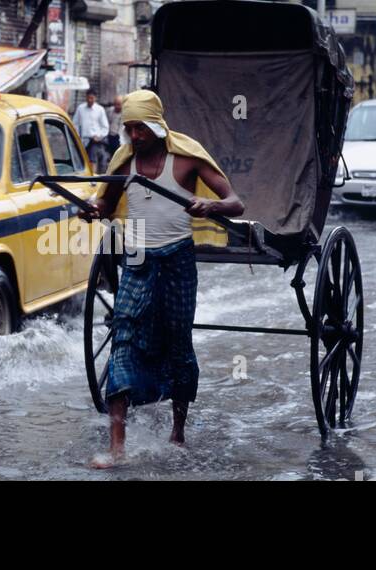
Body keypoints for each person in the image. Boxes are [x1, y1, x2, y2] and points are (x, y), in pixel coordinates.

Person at [77, 90, 244, 469]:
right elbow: (106, 204)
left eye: (140, 128)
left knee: (178, 340)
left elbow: (236, 202)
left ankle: (178, 433)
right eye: (128, 129)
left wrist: (211, 205)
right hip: (136, 259)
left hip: (177, 261)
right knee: (123, 335)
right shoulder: (124, 163)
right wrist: (92, 210)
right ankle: (117, 448)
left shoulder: (186, 159)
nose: (134, 136)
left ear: (156, 127)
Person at [72, 90, 109, 173]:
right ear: (86, 97)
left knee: (93, 160)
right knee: (82, 161)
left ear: (95, 98)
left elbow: (105, 127)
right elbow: (75, 123)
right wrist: (77, 135)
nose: (90, 100)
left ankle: (93, 179)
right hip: (83, 140)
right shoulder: (80, 108)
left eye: (92, 98)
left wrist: (99, 136)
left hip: (94, 140)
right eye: (88, 98)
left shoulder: (100, 109)